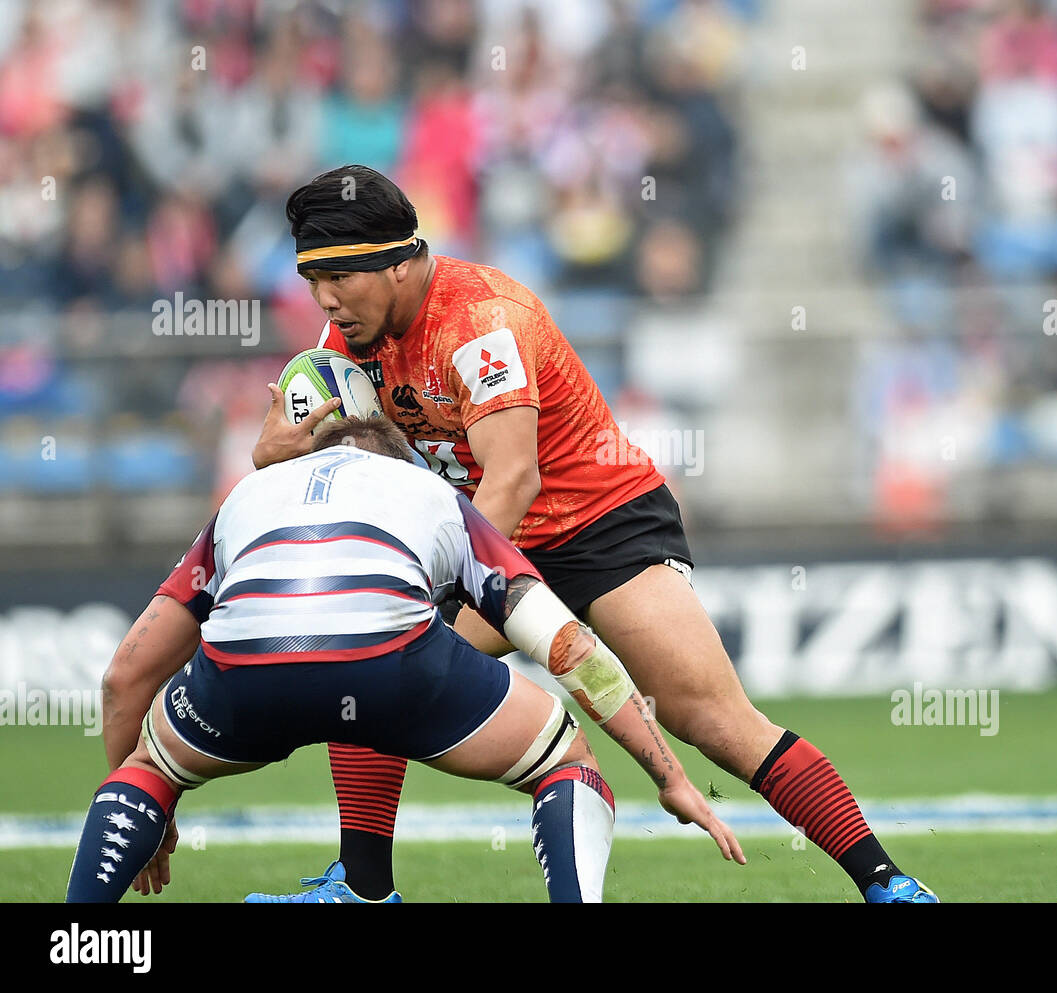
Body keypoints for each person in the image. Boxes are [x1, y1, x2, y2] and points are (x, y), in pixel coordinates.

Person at [247, 164, 937, 903]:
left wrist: (436, 579)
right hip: (497, 535)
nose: (324, 299)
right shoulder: (346, 337)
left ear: (397, 262)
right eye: (313, 279)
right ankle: (363, 888)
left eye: (339, 278)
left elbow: (515, 479)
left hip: (602, 526)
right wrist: (276, 451)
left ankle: (888, 883)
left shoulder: (482, 322)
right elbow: (300, 458)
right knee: (369, 662)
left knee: (710, 719)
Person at [68, 416, 742, 903]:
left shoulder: (245, 497)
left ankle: (79, 941)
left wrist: (147, 812)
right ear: (402, 460)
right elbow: (566, 645)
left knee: (147, 769)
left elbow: (124, 676)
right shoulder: (431, 493)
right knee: (565, 761)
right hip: (388, 661)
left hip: (243, 671)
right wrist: (668, 774)